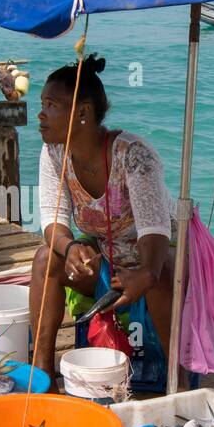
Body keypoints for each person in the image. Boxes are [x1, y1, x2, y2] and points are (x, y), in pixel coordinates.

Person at [28, 54, 175, 381]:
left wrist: (146, 273)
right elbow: (52, 221)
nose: (40, 113)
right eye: (42, 103)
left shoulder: (134, 155)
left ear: (83, 113)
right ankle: (41, 375)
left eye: (51, 105)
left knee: (162, 273)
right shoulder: (54, 151)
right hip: (109, 257)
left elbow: (155, 231)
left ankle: (176, 381)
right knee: (44, 260)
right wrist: (69, 250)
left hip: (159, 258)